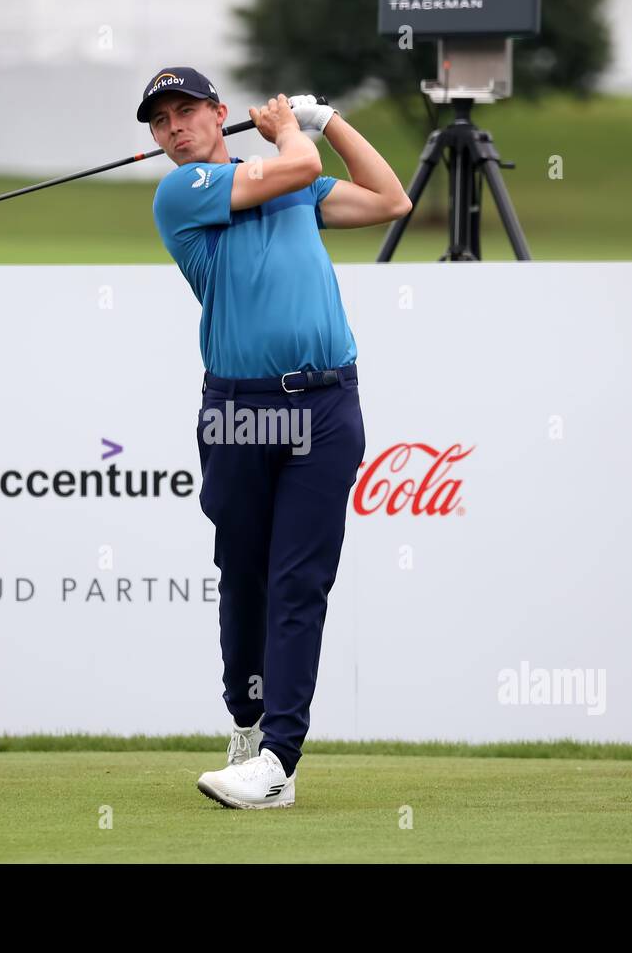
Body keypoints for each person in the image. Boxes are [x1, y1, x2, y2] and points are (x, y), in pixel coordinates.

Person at [137, 68, 411, 808]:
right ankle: (247, 720)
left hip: (325, 404)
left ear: (219, 113)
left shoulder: (292, 180)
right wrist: (296, 131)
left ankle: (277, 761)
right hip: (240, 409)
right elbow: (299, 164)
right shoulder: (181, 192)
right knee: (245, 578)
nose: (175, 128)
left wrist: (329, 118)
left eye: (187, 111)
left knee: (298, 581)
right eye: (160, 121)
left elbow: (392, 199)